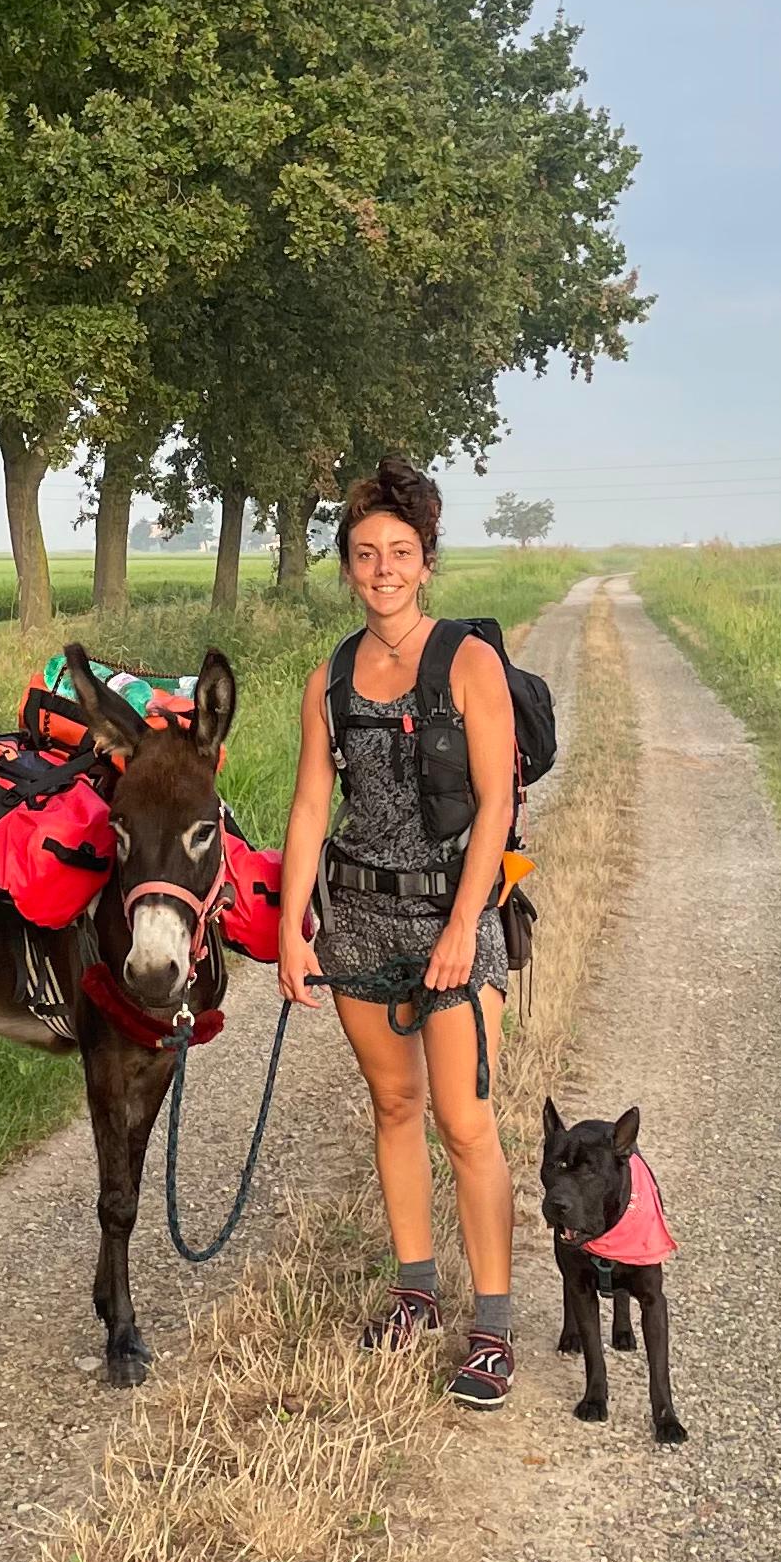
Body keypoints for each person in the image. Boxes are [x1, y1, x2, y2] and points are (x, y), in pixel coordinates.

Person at [277, 458, 522, 1406]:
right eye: (366, 553)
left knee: (465, 1122)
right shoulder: (329, 679)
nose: (383, 568)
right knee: (392, 1108)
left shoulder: (467, 660)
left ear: (427, 563)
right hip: (361, 918)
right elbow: (308, 807)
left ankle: (492, 1326)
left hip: (453, 915)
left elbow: (496, 801)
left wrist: (466, 923)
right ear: (346, 565)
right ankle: (416, 1290)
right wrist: (295, 928)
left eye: (401, 553)